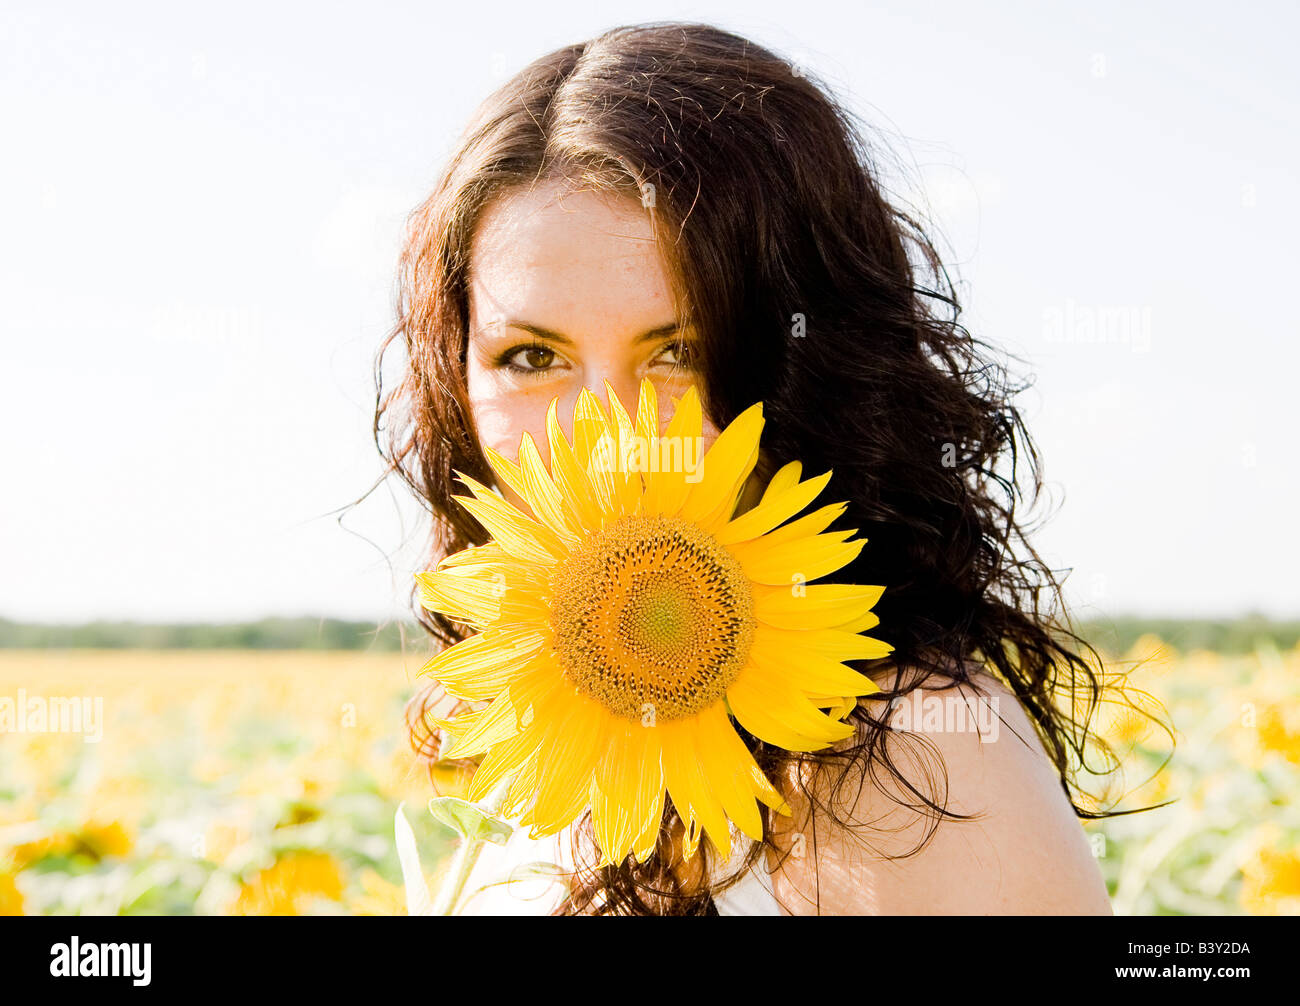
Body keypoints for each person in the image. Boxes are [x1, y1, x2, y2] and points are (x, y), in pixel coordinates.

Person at [378, 21, 1124, 915]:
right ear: (455, 374)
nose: (608, 435)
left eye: (680, 350)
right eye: (534, 358)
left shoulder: (921, 767)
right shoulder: (537, 730)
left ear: (812, 360)